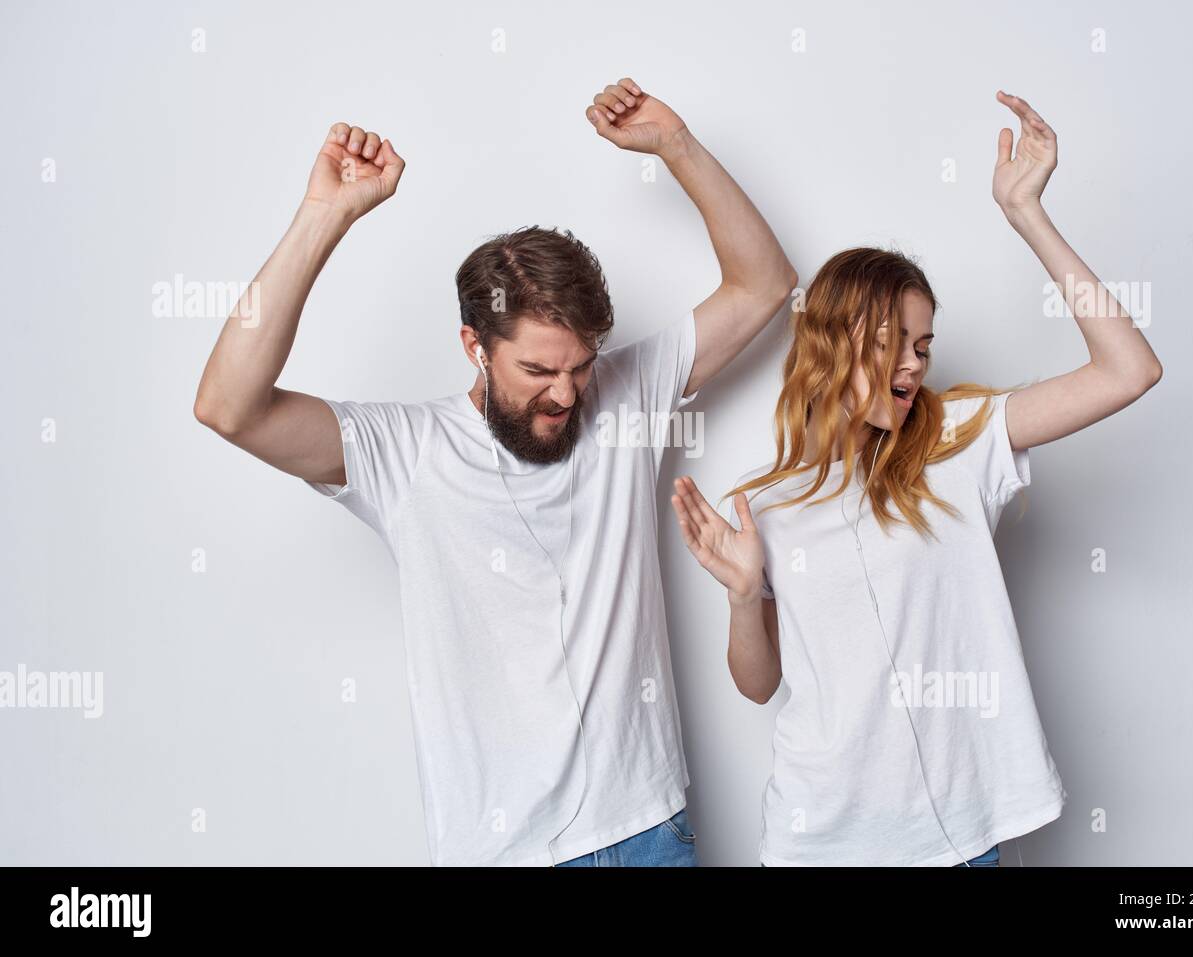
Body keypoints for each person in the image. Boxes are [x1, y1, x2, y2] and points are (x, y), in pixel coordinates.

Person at [194, 77, 797, 866]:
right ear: (474, 345)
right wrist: (325, 215)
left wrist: (675, 147)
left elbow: (766, 284)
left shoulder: (625, 395)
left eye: (580, 366)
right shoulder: (403, 453)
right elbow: (228, 406)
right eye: (539, 369)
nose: (565, 392)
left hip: (650, 827)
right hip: (507, 851)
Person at [670, 91, 1162, 867]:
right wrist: (741, 594)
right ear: (832, 345)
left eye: (924, 345)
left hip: (959, 844)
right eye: (892, 342)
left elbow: (1129, 371)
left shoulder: (959, 440)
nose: (912, 365)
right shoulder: (760, 504)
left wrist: (1028, 214)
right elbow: (758, 685)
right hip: (814, 846)